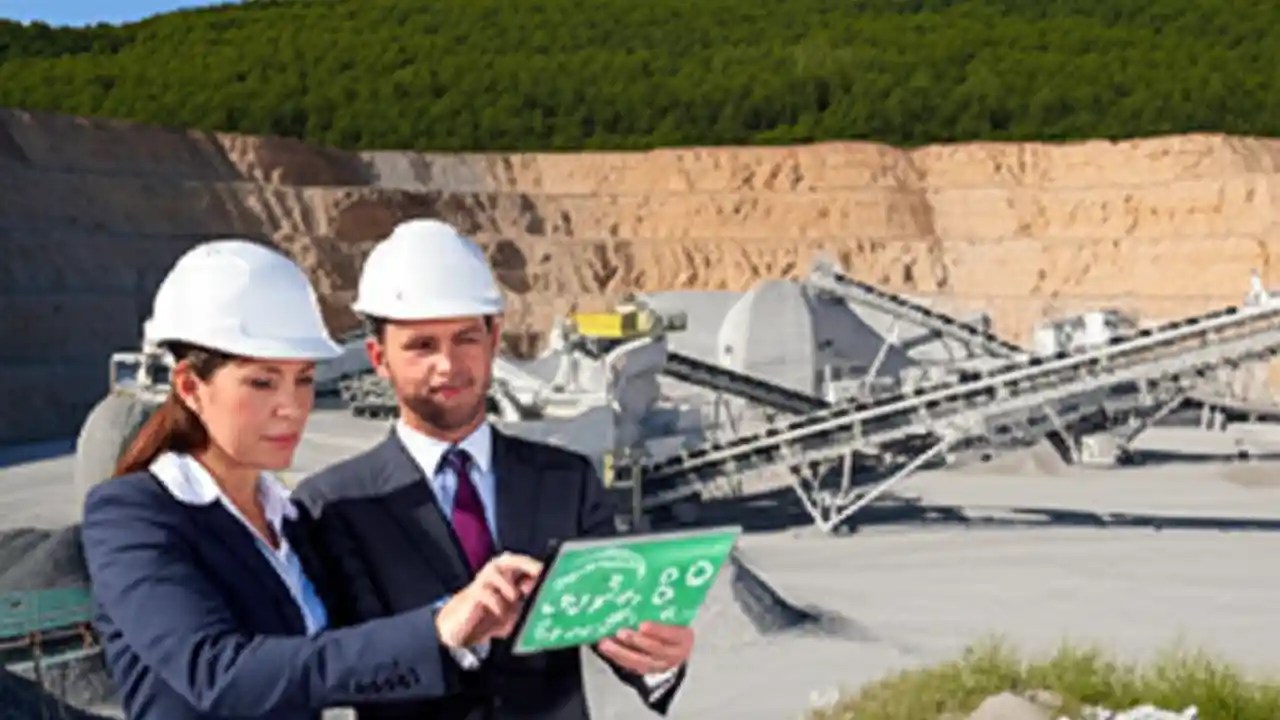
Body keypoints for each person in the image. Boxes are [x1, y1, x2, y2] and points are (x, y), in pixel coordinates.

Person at [79, 239, 546, 720]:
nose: (292, 406)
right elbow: (217, 674)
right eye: (262, 381)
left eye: (302, 379)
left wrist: (477, 610)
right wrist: (436, 630)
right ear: (190, 386)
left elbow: (353, 650)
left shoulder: (293, 519)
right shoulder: (133, 515)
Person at [292, 219, 695, 720]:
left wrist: (659, 661)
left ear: (493, 338)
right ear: (378, 357)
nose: (448, 364)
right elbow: (334, 669)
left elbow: (614, 630)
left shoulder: (567, 481)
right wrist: (451, 631)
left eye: (465, 337)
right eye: (422, 345)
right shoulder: (329, 507)